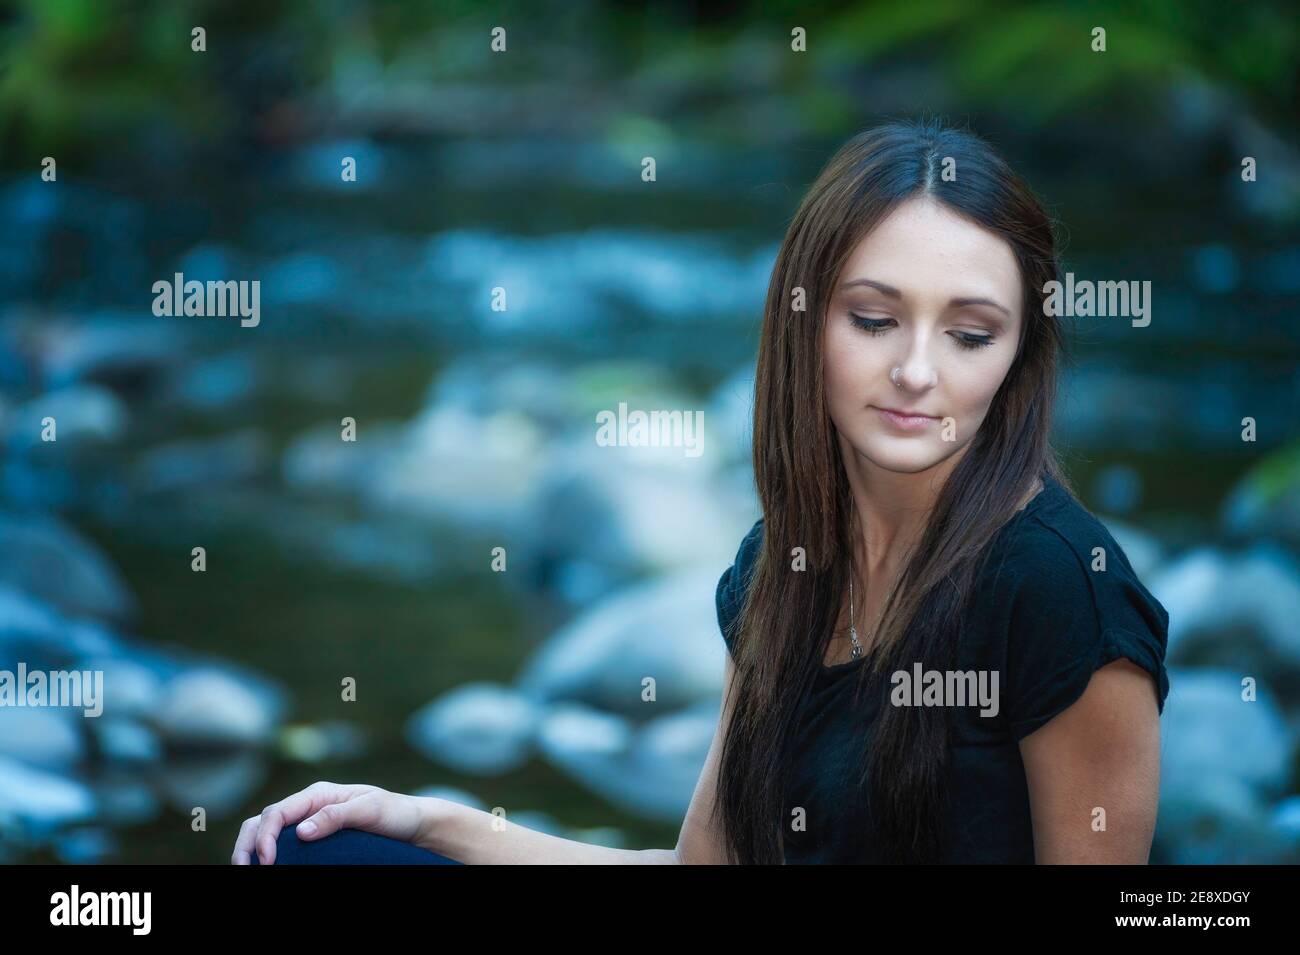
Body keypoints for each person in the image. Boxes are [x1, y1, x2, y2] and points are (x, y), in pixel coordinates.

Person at [232, 117, 1169, 865]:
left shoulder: (1058, 590)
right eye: (875, 318)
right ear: (804, 320)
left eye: (970, 334)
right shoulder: (783, 566)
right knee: (329, 853)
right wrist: (435, 821)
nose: (917, 370)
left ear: (1018, 358)